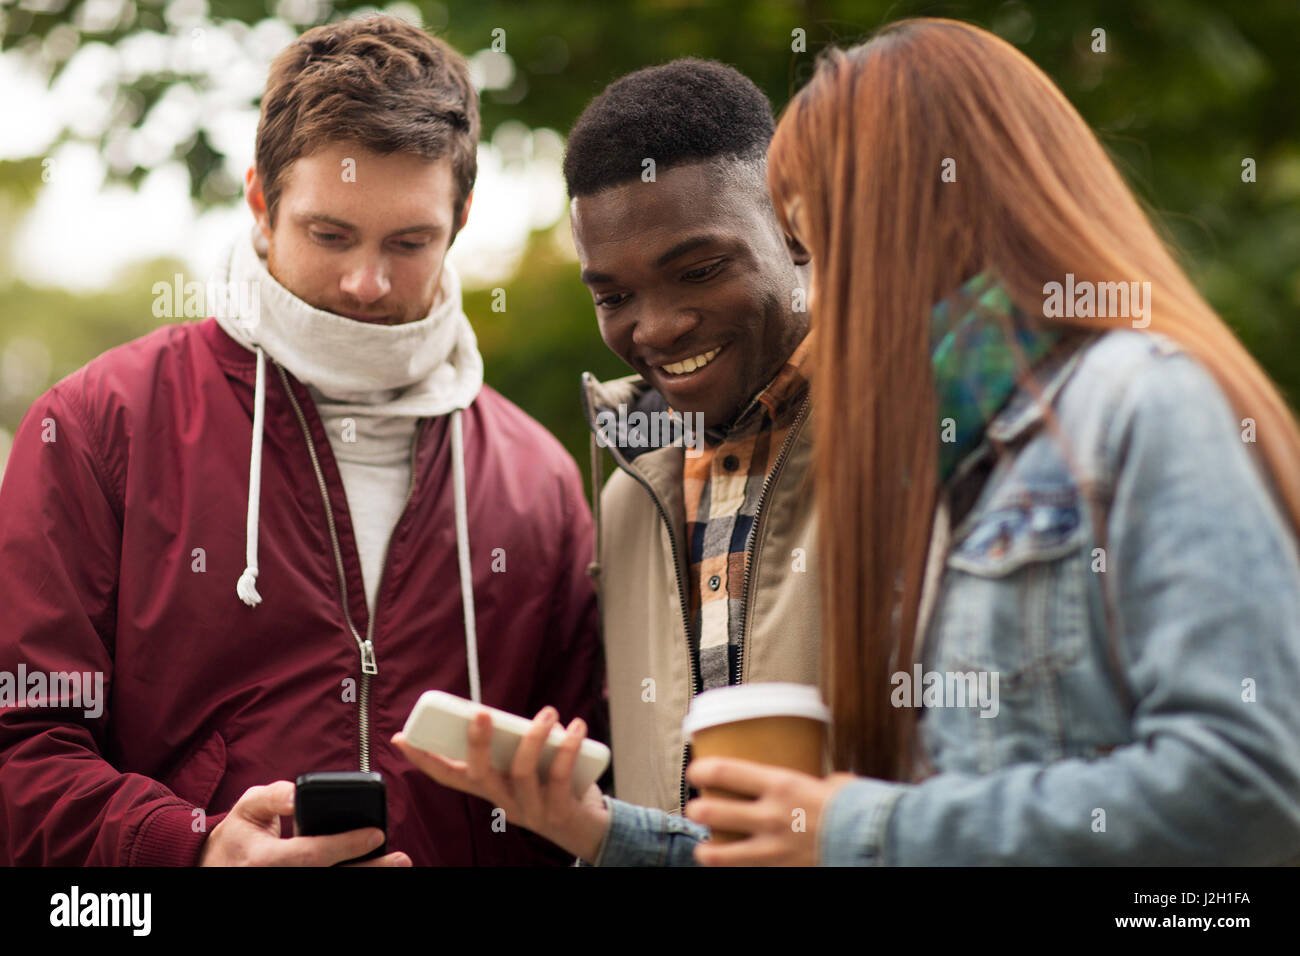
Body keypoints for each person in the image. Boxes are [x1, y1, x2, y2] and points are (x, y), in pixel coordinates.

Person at [403, 18, 1300, 866]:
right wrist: (600, 831)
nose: (819, 275)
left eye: (819, 232)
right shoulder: (966, 443)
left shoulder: (1135, 403)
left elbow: (1252, 785)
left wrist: (859, 827)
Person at [0, 14, 606, 866]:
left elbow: (586, 794)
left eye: (410, 241)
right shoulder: (99, 428)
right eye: (330, 235)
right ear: (260, 198)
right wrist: (195, 850)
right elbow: (21, 751)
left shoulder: (537, 479)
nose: (367, 281)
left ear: (462, 218)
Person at [395, 59, 821, 862]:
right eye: (614, 297)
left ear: (794, 228)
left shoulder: (909, 434)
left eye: (698, 271)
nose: (653, 330)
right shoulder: (628, 494)